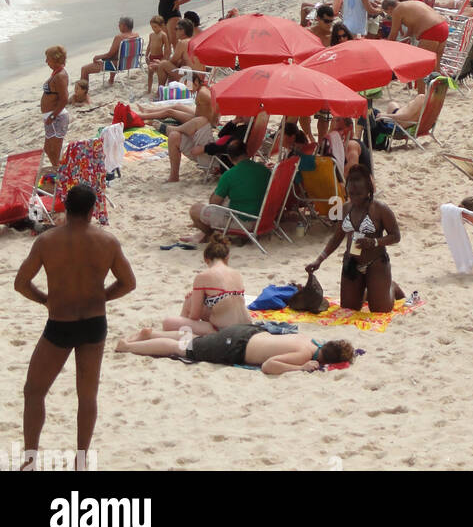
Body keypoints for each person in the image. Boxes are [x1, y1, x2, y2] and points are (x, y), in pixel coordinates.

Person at [16, 183, 136, 469]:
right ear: (92, 210)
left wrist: (45, 300)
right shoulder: (107, 242)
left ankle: (30, 460)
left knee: (34, 391)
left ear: (64, 206)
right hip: (95, 324)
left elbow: (20, 284)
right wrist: (102, 297)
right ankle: (81, 461)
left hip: (60, 323)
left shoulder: (47, 242)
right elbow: (128, 283)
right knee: (87, 395)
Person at [305, 165, 401, 312]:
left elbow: (396, 236)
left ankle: (391, 287)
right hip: (352, 262)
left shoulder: (380, 209)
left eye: (359, 193)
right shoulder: (345, 208)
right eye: (351, 193)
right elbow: (337, 238)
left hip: (376, 263)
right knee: (349, 308)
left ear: (368, 191)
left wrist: (375, 242)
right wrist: (319, 260)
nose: (354, 196)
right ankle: (368, 291)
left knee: (380, 309)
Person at [115, 326, 355, 374]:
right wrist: (299, 367)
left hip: (248, 332)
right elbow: (269, 367)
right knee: (183, 349)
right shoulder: (305, 354)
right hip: (237, 346)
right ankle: (129, 346)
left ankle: (152, 334)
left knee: (199, 340)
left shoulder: (310, 341)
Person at [161, 233, 250, 334]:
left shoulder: (203, 276)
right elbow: (226, 302)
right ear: (227, 257)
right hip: (247, 326)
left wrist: (190, 318)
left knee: (168, 322)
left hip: (224, 331)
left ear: (206, 259)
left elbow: (195, 316)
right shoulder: (236, 273)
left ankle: (182, 334)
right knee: (190, 300)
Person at [189, 141, 271, 234]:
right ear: (247, 152)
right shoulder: (264, 170)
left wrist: (220, 188)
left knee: (195, 210)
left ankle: (210, 235)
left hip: (244, 222)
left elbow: (214, 203)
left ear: (229, 158)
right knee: (229, 199)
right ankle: (202, 234)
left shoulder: (229, 175)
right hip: (265, 218)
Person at [165, 73, 217, 182]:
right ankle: (174, 176)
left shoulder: (203, 92)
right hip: (202, 144)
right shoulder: (201, 91)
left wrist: (214, 120)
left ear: (196, 82)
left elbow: (216, 102)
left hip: (210, 153)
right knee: (174, 136)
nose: (188, 88)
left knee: (174, 113)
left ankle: (172, 128)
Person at [385, 0, 450, 74]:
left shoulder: (397, 10)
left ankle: (420, 86)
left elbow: (393, 34)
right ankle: (440, 86)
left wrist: (385, 51)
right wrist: (404, 40)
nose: (391, 16)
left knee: (420, 68)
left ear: (389, 9)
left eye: (389, 14)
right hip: (443, 26)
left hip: (431, 30)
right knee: (436, 68)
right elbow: (411, 29)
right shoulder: (410, 4)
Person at [41, 44, 70, 170]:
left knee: (55, 151)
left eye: (48, 58)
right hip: (51, 118)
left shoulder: (60, 76)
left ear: (56, 59)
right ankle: (58, 170)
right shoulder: (56, 73)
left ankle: (60, 173)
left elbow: (64, 99)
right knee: (48, 149)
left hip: (56, 118)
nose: (46, 61)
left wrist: (53, 116)